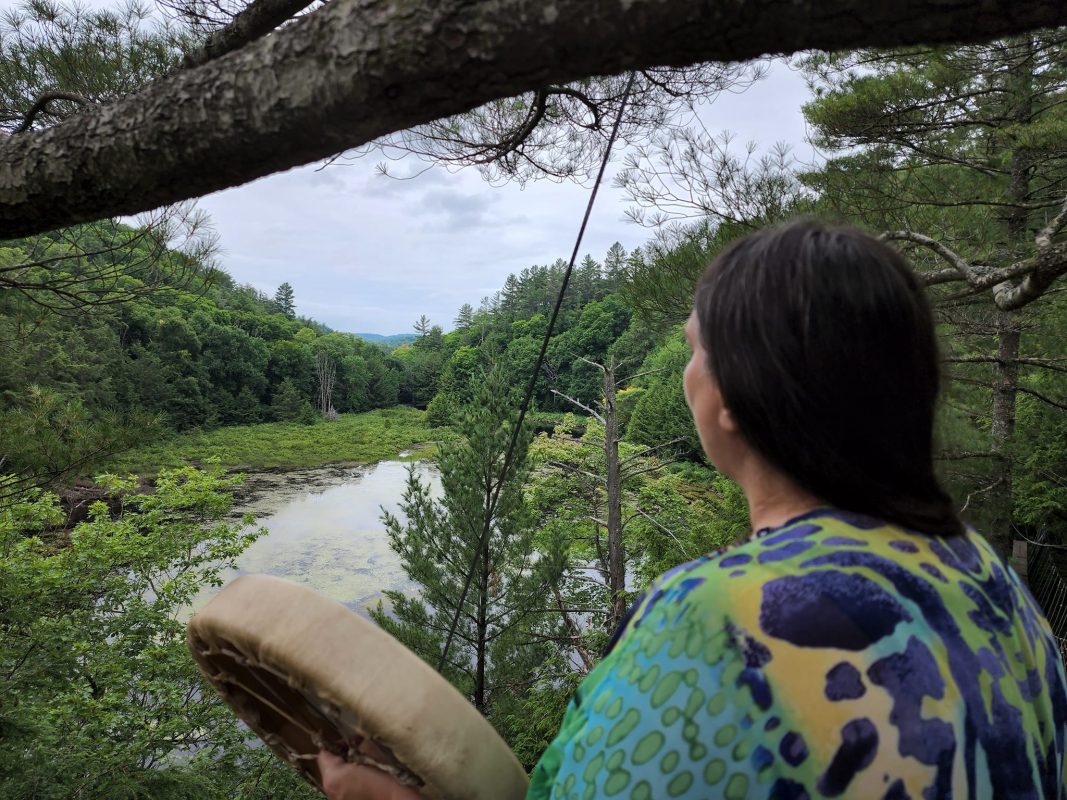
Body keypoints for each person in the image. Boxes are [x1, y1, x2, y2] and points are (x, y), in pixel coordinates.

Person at [318, 219, 1067, 799]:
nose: (684, 374)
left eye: (692, 349)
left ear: (736, 396)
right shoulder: (991, 579)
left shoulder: (713, 618)